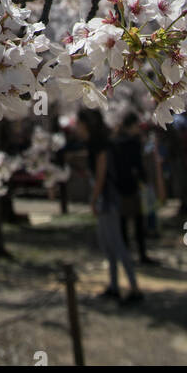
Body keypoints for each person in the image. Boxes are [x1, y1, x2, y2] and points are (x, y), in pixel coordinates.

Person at [74, 108, 142, 304]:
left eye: (78, 124)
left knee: (117, 244)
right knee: (107, 245)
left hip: (108, 199)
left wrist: (94, 199)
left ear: (85, 124)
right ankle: (114, 286)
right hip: (104, 198)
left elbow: (102, 174)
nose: (76, 128)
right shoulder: (93, 144)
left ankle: (135, 287)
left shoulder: (100, 145)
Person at [114, 112, 154, 265]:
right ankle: (141, 254)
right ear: (132, 125)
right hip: (131, 186)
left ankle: (125, 254)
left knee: (123, 222)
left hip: (119, 186)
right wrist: (145, 180)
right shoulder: (133, 143)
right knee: (137, 221)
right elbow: (138, 165)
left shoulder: (116, 141)